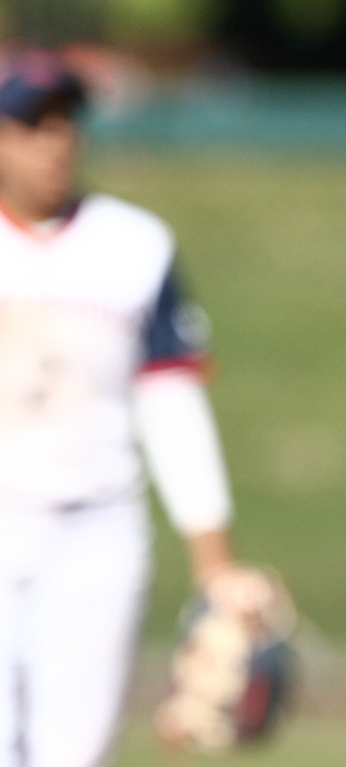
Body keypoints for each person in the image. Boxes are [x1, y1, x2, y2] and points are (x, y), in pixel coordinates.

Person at [0, 49, 241, 766]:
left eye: (66, 119)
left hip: (94, 534)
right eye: (32, 123)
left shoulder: (132, 244)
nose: (57, 140)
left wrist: (214, 564)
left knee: (72, 755)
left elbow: (171, 404)